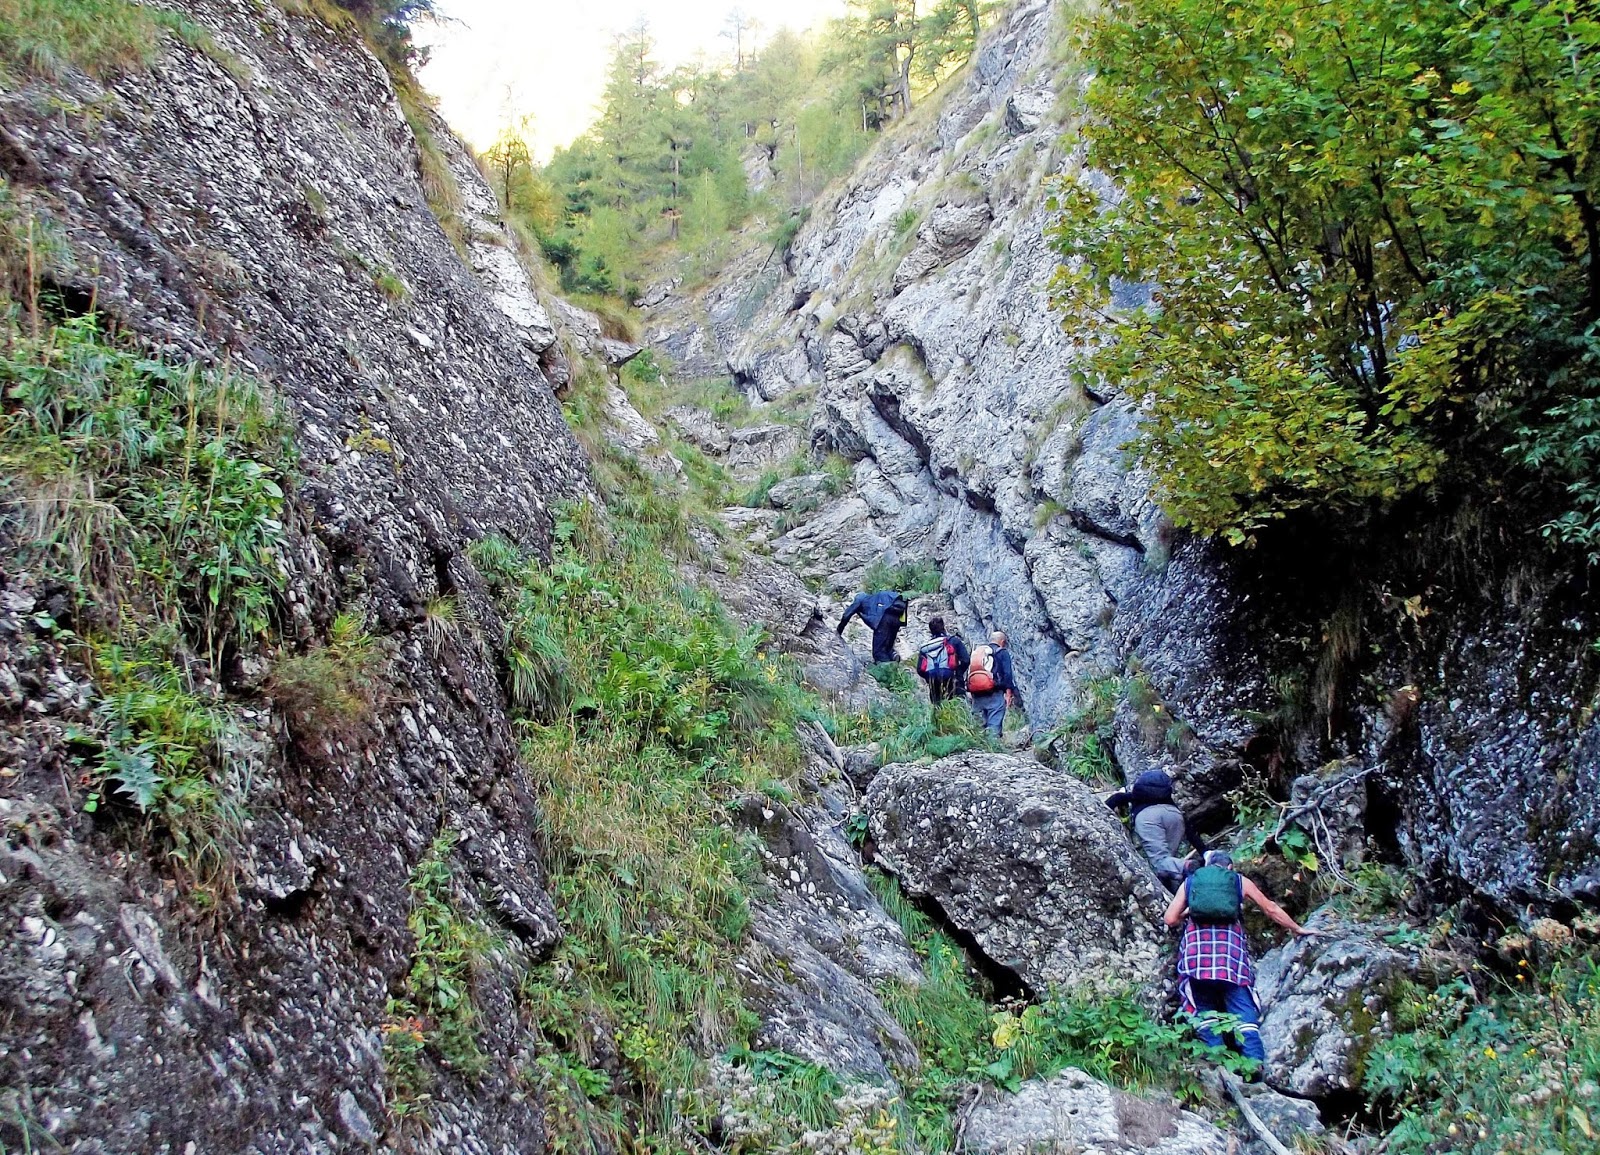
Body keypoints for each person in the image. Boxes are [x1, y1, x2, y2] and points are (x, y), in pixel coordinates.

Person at [1164, 851, 1311, 1070]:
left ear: (1208, 865)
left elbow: (1170, 919)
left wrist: (1188, 912)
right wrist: (1296, 928)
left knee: (1204, 1010)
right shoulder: (1239, 881)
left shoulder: (1192, 882)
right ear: (1229, 867)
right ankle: (1253, 1065)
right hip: (1231, 958)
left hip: (1197, 959)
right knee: (1243, 1010)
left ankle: (1217, 1065)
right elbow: (1270, 909)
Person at [1106, 770, 1208, 892]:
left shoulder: (1137, 796)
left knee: (1159, 860)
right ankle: (1173, 884)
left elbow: (1116, 798)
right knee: (1168, 859)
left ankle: (1187, 865)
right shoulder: (1169, 802)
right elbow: (1189, 829)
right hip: (1174, 816)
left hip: (1148, 818)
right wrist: (1205, 852)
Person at [836, 589, 908, 664]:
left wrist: (838, 632)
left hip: (883, 619)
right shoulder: (873, 598)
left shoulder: (860, 599)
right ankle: (893, 657)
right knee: (888, 647)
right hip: (896, 619)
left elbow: (846, 615)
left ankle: (886, 667)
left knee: (878, 652)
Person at [967, 630, 1015, 736]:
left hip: (977, 694)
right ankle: (993, 745)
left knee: (978, 727)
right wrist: (1008, 693)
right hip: (995, 693)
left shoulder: (981, 653)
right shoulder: (1002, 652)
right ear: (1002, 642)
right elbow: (1007, 674)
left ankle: (978, 745)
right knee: (994, 726)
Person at [916, 616, 969, 704]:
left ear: (930, 630)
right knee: (957, 704)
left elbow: (920, 669)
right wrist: (958, 673)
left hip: (934, 683)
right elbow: (966, 660)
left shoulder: (926, 647)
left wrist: (929, 678)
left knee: (938, 706)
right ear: (943, 627)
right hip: (954, 681)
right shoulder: (953, 641)